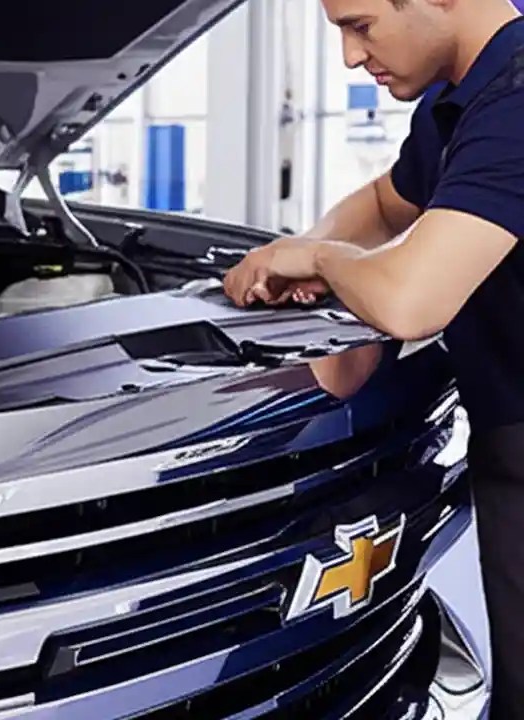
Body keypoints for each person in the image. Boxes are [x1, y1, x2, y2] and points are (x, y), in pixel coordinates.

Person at [221, 0, 524, 714]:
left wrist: (320, 256)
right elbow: (389, 202)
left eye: (360, 24)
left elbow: (411, 302)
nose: (352, 57)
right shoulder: (464, 98)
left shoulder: (516, 102)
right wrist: (285, 258)